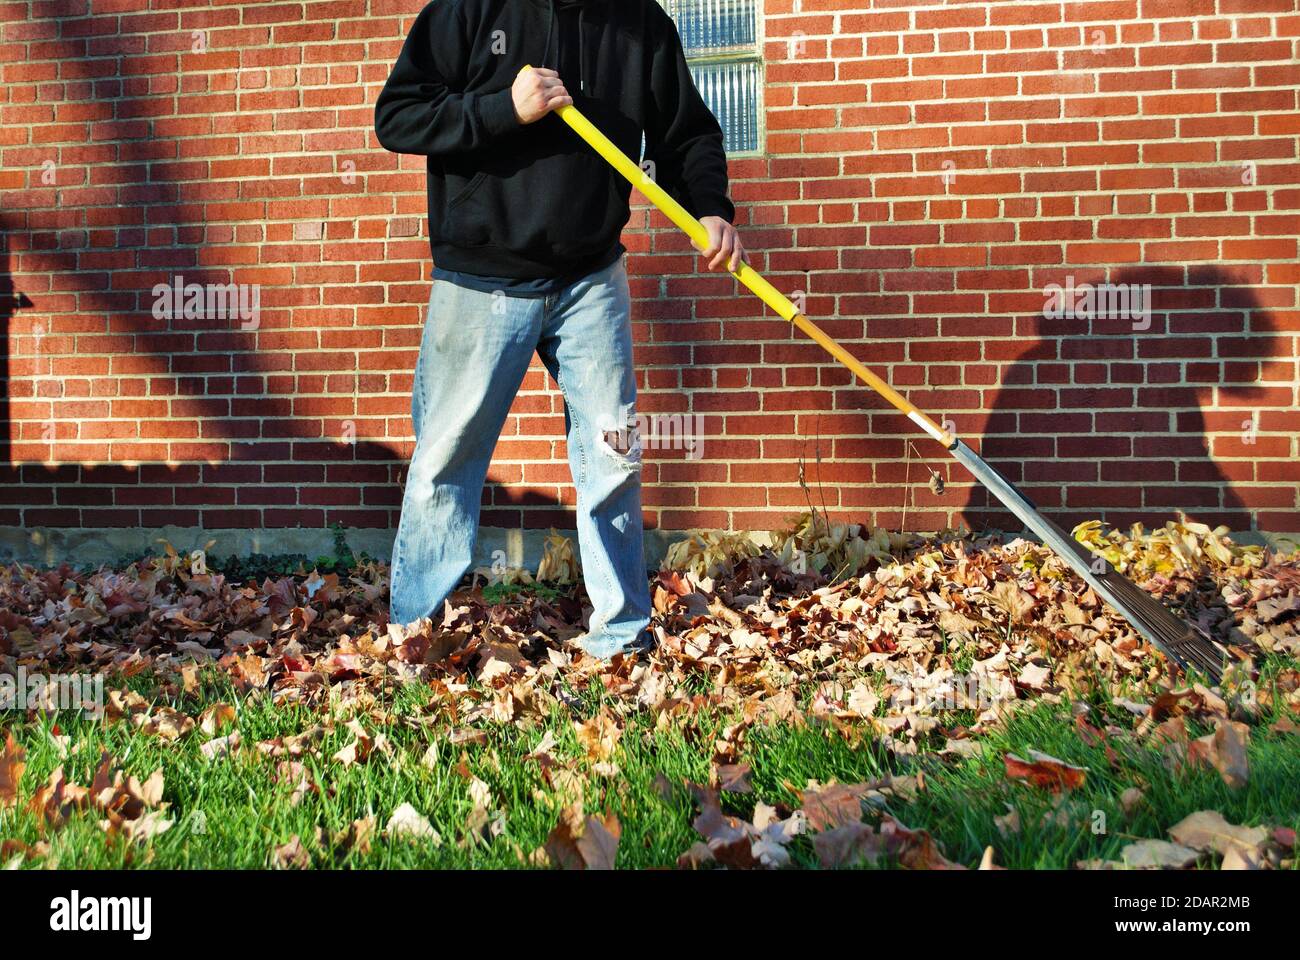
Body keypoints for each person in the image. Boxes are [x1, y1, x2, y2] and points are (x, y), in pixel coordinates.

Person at [376, 0, 746, 658]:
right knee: (445, 461)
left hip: (591, 278)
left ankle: (621, 637)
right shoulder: (467, 12)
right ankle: (414, 631)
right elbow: (397, 116)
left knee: (613, 457)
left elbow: (686, 133)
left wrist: (711, 208)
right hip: (481, 280)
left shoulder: (640, 25)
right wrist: (502, 109)